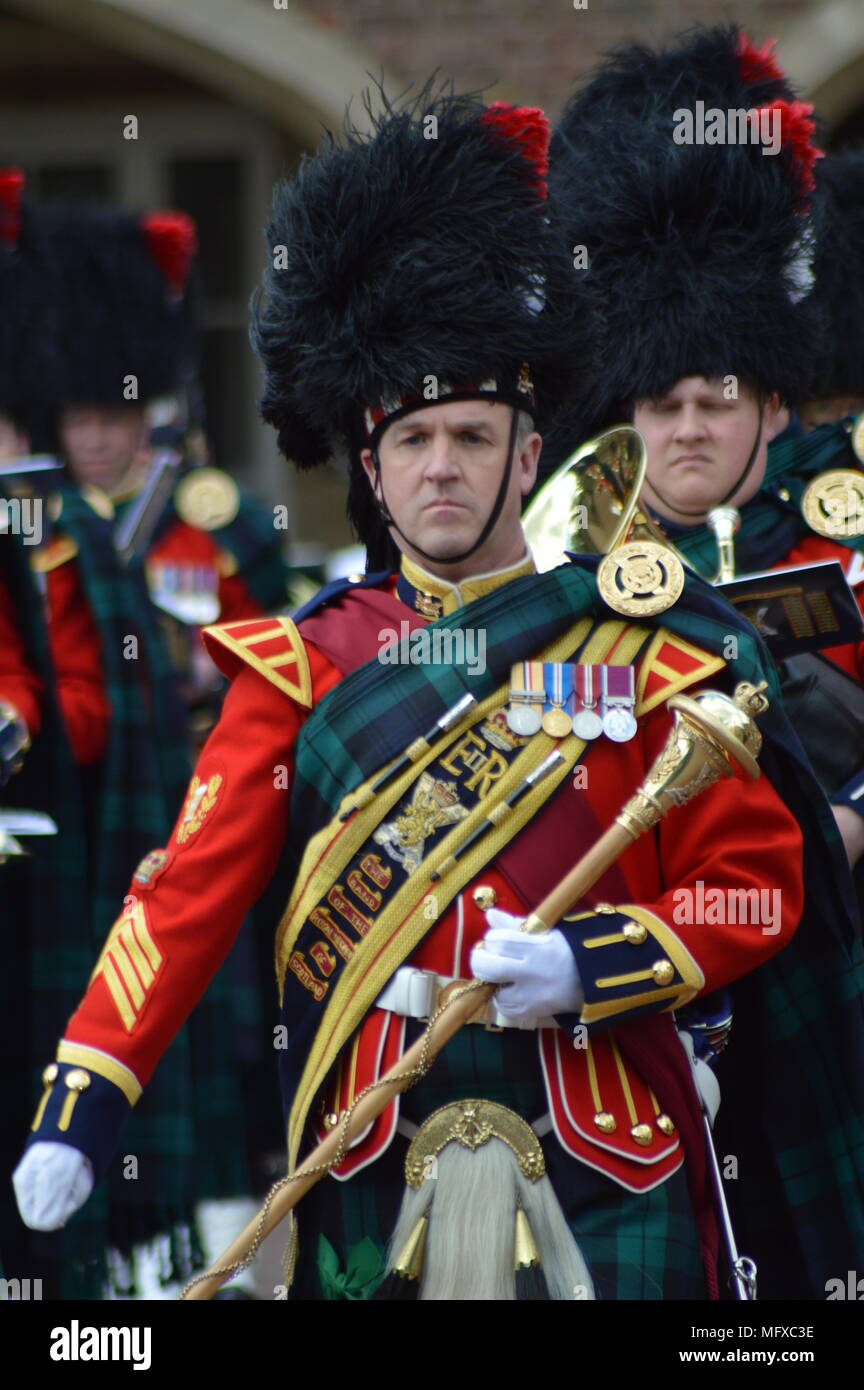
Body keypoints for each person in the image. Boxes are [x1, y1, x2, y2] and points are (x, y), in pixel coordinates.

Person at [13, 85, 861, 1301]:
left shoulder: (652, 641)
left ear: (530, 450)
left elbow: (754, 883)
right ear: (369, 463)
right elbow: (183, 895)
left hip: (608, 1137)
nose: (443, 468)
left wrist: (593, 962)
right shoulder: (306, 663)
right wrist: (89, 1086)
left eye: (472, 435)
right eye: (413, 442)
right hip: (371, 1138)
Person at [549, 25, 864, 1293]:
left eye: (717, 401)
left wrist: (852, 822)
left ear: (772, 405)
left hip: (832, 965)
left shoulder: (843, 531)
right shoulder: (570, 538)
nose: (688, 430)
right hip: (650, 973)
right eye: (663, 403)